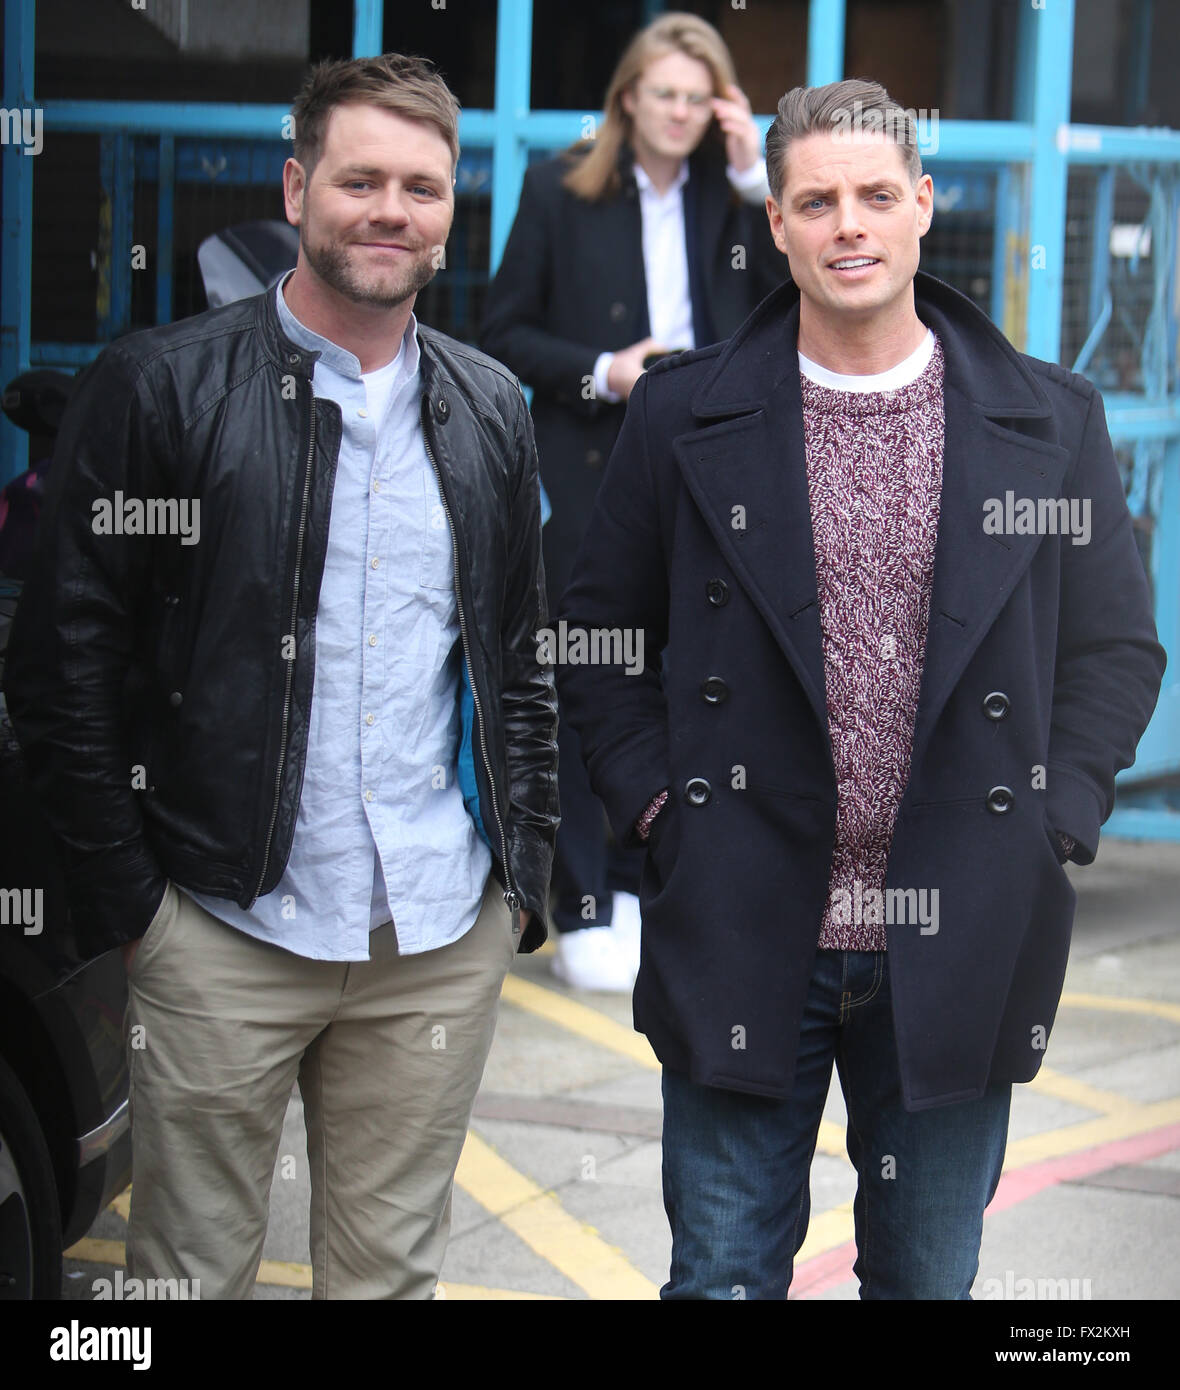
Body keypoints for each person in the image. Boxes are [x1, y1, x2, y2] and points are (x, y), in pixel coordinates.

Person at [555, 78, 1166, 1299]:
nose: (849, 225)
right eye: (816, 200)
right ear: (773, 224)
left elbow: (1115, 649)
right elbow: (596, 631)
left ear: (922, 208)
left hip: (956, 926)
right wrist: (661, 812)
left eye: (876, 196)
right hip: (744, 915)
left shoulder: (1046, 417)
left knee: (927, 1285)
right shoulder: (684, 413)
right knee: (721, 1277)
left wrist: (1055, 817)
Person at [4, 53, 558, 1300]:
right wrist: (137, 912)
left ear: (450, 209)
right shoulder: (159, 386)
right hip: (220, 926)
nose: (389, 209)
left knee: (389, 1277)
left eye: (421, 186)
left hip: (431, 928)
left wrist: (519, 885)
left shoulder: (489, 407)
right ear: (298, 186)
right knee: (187, 1276)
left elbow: (520, 661)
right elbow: (64, 665)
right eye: (359, 178)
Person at [481, 11, 786, 991]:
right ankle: (580, 905)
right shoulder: (557, 190)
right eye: (666, 94)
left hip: (714, 471)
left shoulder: (737, 202)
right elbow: (504, 331)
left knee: (691, 681)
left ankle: (651, 887)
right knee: (584, 678)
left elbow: (794, 311)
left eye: (701, 99)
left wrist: (754, 176)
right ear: (628, 96)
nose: (682, 112)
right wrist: (610, 371)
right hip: (593, 465)